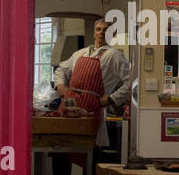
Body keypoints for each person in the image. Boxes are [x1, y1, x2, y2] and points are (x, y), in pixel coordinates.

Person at [54, 17, 130, 146]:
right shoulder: (80, 53)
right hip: (69, 104)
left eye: (106, 30)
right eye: (98, 29)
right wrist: (60, 85)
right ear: (94, 33)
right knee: (62, 144)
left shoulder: (115, 55)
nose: (101, 32)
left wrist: (111, 99)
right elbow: (61, 69)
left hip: (91, 109)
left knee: (85, 146)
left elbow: (131, 81)